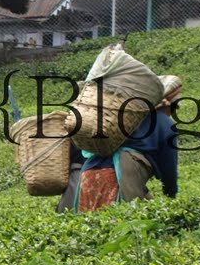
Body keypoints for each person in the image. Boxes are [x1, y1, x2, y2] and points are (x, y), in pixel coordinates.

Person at [77, 75, 181, 211]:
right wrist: (171, 195)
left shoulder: (127, 117)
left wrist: (145, 194)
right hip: (119, 175)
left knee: (90, 226)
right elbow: (169, 167)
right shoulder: (165, 123)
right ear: (171, 106)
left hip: (89, 173)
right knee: (122, 226)